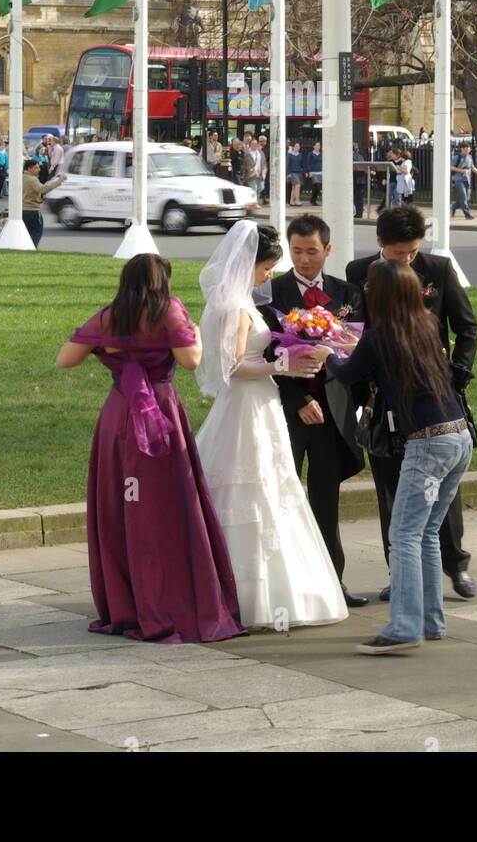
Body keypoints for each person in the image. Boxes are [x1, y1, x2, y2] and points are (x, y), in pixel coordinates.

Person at [56, 254, 244, 644]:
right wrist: (195, 331)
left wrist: (114, 354)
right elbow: (191, 361)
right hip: (160, 412)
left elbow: (65, 360)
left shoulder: (110, 315)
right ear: (164, 281)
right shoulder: (169, 311)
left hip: (118, 414)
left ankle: (128, 603)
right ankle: (170, 599)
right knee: (166, 510)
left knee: (123, 509)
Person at [195, 221, 347, 629]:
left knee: (272, 485)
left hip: (260, 402)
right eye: (266, 269)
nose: (268, 277)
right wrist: (286, 365)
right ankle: (246, 593)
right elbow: (230, 368)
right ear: (248, 264)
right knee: (251, 486)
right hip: (246, 405)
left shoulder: (240, 302)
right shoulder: (235, 308)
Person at [319, 260, 473, 654]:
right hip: (458, 437)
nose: (366, 293)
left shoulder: (380, 334)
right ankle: (430, 621)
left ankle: (404, 628)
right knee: (425, 534)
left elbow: (349, 374)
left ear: (383, 294)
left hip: (427, 443)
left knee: (403, 534)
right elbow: (378, 359)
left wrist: (324, 351)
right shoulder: (423, 325)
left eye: (371, 288)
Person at [345, 204, 477, 600]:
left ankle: (456, 564)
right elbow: (355, 329)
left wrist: (457, 374)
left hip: (433, 393)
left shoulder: (437, 270)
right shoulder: (359, 273)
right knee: (391, 485)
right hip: (383, 394)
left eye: (411, 253)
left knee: (441, 488)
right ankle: (399, 573)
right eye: (397, 253)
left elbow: (466, 327)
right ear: (379, 243)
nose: (405, 260)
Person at [260, 214, 367, 607]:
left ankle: (332, 584)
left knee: (326, 498)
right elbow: (265, 352)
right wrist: (298, 399)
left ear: (327, 249)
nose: (303, 260)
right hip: (286, 409)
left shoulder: (348, 292)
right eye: (296, 251)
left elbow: (357, 346)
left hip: (332, 411)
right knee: (281, 495)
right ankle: (280, 584)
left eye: (312, 251)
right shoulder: (270, 292)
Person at [20, 159, 66, 247]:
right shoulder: (32, 179)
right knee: (36, 232)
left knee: (27, 232)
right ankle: (32, 248)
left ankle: (26, 247)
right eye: (36, 168)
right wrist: (59, 181)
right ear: (29, 169)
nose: (39, 170)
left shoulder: (22, 177)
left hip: (23, 209)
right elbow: (42, 189)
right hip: (33, 210)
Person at [450, 142, 477, 219]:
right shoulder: (457, 157)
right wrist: (461, 171)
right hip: (459, 179)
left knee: (466, 198)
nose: (467, 151)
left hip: (467, 180)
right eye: (466, 150)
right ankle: (467, 215)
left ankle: (454, 207)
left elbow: (472, 167)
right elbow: (451, 167)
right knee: (463, 197)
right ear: (462, 149)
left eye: (469, 150)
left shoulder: (470, 157)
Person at [304, 141, 322, 205]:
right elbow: (308, 163)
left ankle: (313, 200)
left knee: (318, 187)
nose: (318, 147)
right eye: (317, 145)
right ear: (314, 146)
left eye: (319, 145)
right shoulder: (310, 154)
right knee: (317, 185)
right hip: (313, 172)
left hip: (320, 172)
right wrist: (309, 172)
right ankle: (313, 200)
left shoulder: (321, 154)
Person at [286, 140, 303, 206]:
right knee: (298, 186)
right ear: (293, 147)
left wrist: (303, 170)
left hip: (299, 172)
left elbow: (301, 164)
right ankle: (297, 200)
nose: (297, 147)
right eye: (296, 146)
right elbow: (288, 165)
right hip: (292, 172)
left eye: (298, 146)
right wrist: (288, 173)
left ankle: (291, 201)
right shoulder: (290, 155)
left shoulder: (300, 155)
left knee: (294, 187)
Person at [352, 143, 366, 219]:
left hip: (355, 178)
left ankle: (359, 212)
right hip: (361, 178)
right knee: (359, 197)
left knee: (356, 197)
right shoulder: (360, 156)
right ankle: (359, 211)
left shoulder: (351, 156)